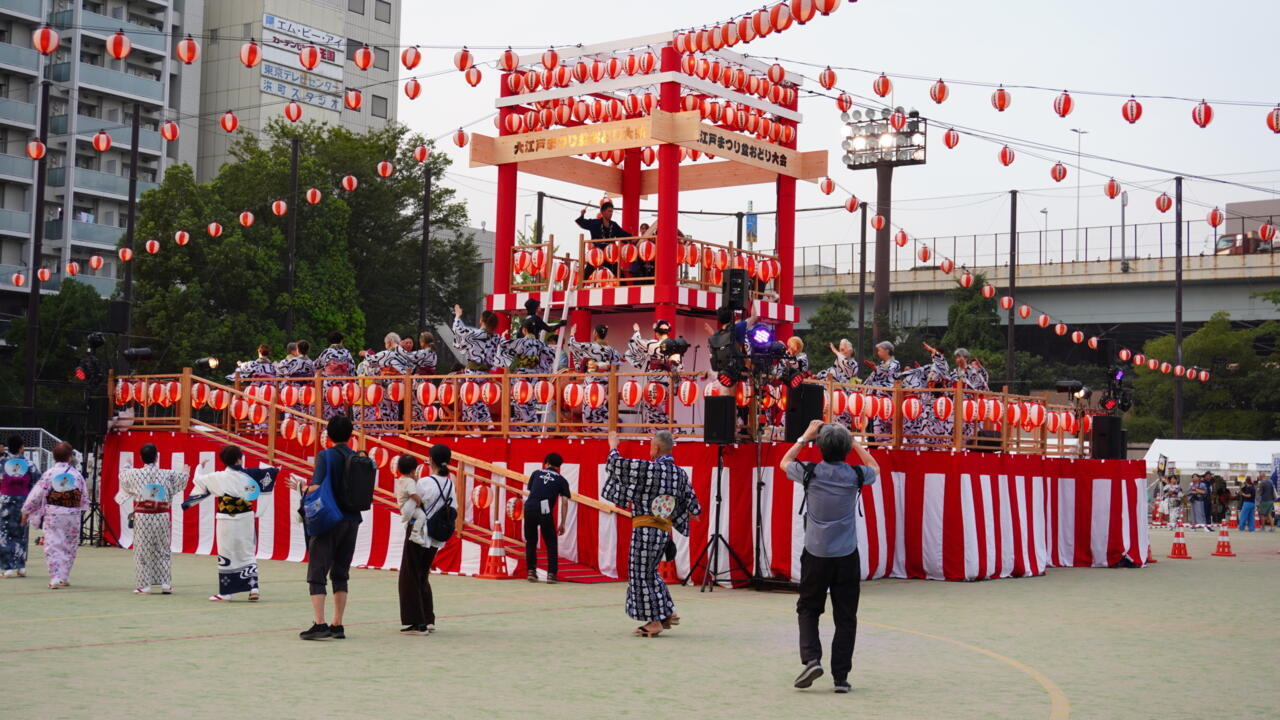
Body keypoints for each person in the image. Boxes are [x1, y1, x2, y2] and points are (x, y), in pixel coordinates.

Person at [779, 420, 880, 694]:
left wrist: (805, 435)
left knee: (808, 609)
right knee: (846, 615)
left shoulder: (809, 472)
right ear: (846, 449)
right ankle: (841, 677)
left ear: (820, 448)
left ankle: (812, 658)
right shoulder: (856, 475)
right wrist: (854, 441)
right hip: (846, 554)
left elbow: (784, 462)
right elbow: (875, 467)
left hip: (815, 553)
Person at [604, 430, 701, 638]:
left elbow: (615, 465)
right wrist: (688, 511)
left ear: (655, 448)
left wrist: (613, 445)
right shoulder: (680, 473)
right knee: (649, 572)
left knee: (639, 573)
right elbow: (693, 506)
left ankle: (655, 621)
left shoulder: (648, 469)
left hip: (645, 529)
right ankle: (667, 611)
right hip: (663, 532)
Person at [295, 415, 362, 640]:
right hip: (352, 518)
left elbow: (315, 488)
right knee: (341, 572)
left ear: (329, 436)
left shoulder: (326, 456)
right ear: (351, 436)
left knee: (317, 572)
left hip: (329, 519)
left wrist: (302, 488)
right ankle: (338, 624)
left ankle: (319, 623)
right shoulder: (357, 457)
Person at [187, 445, 279, 601]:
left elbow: (198, 481)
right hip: (246, 517)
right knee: (247, 551)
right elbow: (269, 473)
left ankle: (226, 592)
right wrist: (277, 468)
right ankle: (253, 587)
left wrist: (199, 467)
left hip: (226, 519)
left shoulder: (218, 477)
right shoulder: (250, 474)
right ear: (239, 459)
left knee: (226, 553)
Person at [395, 447, 453, 635]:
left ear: (431, 461)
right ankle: (427, 618)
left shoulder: (425, 482)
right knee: (422, 575)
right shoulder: (450, 484)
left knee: (409, 575)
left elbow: (412, 505)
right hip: (437, 535)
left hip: (419, 531)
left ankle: (416, 622)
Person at [118, 444, 189, 594]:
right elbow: (181, 480)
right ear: (157, 457)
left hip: (143, 515)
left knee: (142, 549)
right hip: (162, 514)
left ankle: (145, 585)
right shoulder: (167, 474)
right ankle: (166, 584)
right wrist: (185, 473)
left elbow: (123, 475)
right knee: (163, 548)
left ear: (141, 458)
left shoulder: (134, 474)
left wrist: (127, 464)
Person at [21, 442, 89, 589]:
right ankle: (64, 576)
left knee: (53, 544)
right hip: (72, 513)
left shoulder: (50, 474)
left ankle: (55, 577)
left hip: (54, 513)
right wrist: (79, 508)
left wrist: (26, 511)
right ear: (70, 457)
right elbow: (84, 496)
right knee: (69, 545)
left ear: (54, 457)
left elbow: (36, 494)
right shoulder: (77, 475)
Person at [452, 304, 504, 425]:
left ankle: (474, 427)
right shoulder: (497, 338)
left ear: (482, 320)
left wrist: (458, 316)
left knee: (470, 398)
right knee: (481, 397)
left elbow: (459, 331)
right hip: (485, 373)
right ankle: (487, 421)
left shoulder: (476, 334)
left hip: (473, 372)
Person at [524, 452, 571, 583]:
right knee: (551, 542)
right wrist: (562, 523)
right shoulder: (562, 480)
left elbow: (532, 490)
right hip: (544, 509)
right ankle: (551, 574)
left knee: (531, 540)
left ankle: (531, 571)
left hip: (529, 506)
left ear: (546, 463)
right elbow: (565, 501)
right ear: (559, 466)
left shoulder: (536, 473)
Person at [566, 324, 623, 431]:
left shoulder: (591, 346)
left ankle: (590, 431)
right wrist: (605, 366)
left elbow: (572, 345)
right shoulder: (611, 350)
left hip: (592, 382)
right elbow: (618, 362)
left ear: (595, 334)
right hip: (604, 382)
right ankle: (603, 431)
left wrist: (572, 333)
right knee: (602, 406)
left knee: (589, 406)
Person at [501, 320, 555, 431]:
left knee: (520, 401)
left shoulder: (521, 342)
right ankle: (532, 427)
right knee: (531, 403)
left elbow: (504, 346)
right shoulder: (540, 344)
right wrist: (542, 369)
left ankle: (524, 428)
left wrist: (502, 337)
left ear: (524, 330)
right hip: (534, 375)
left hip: (522, 376)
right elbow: (551, 354)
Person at [625, 320, 681, 426]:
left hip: (655, 377)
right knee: (661, 402)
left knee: (652, 402)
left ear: (657, 332)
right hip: (668, 377)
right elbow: (678, 364)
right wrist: (677, 380)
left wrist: (636, 331)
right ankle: (666, 427)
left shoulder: (652, 344)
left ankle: (657, 427)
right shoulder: (675, 345)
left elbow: (636, 343)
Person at [0, 435, 39, 578]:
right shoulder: (29, 464)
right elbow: (36, 483)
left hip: (6, 502)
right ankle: (21, 567)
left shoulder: (3, 463)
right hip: (24, 501)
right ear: (22, 447)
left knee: (5, 534)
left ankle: (7, 568)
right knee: (21, 534)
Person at [369, 332, 414, 428]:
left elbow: (371, 365)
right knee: (395, 409)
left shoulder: (385, 354)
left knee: (385, 410)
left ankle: (387, 432)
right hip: (399, 386)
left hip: (386, 385)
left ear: (389, 343)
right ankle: (394, 431)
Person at [861, 341, 901, 440]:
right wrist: (862, 386)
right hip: (876, 399)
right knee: (875, 425)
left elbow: (887, 373)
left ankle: (885, 445)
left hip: (888, 399)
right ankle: (876, 443)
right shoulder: (881, 364)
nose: (878, 353)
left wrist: (875, 368)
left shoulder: (895, 363)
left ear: (887, 351)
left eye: (879, 350)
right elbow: (871, 378)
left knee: (887, 424)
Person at [316, 331, 356, 420]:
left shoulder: (326, 352)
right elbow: (352, 368)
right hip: (342, 383)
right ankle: (342, 427)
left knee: (328, 406)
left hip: (329, 384)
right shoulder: (346, 352)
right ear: (341, 341)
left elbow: (316, 365)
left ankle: (327, 427)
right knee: (342, 406)